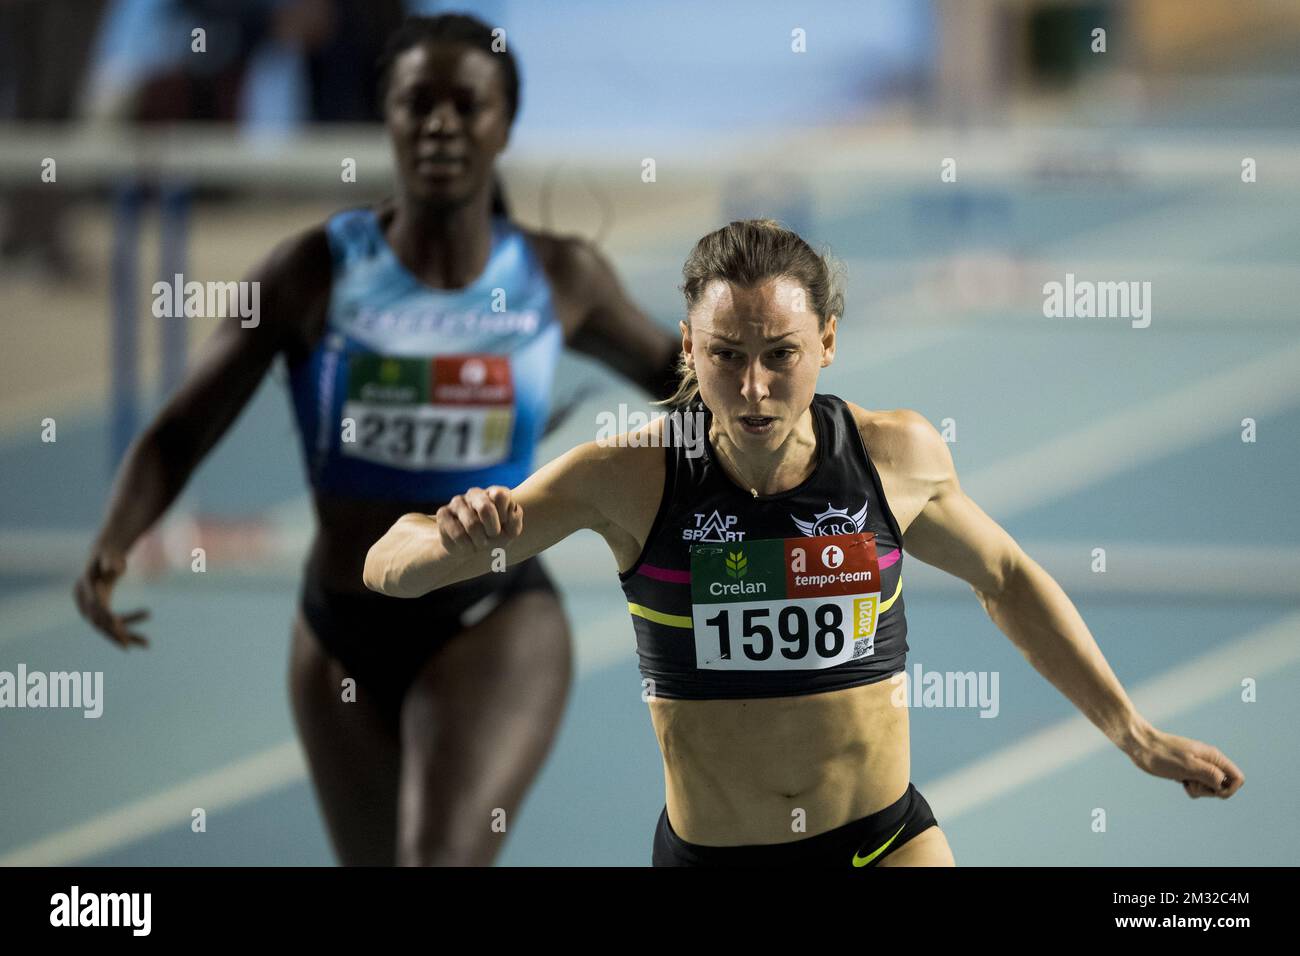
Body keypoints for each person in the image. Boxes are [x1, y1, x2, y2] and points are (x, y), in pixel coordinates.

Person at [363, 218, 1246, 867]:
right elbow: (389, 569)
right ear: (687, 348)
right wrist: (449, 531)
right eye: (725, 355)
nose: (752, 388)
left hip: (885, 839)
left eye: (781, 353)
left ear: (827, 341)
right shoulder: (627, 476)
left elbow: (1007, 575)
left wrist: (1135, 735)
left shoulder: (895, 457)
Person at [73, 13, 681, 866]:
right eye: (415, 103)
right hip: (335, 635)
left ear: (503, 126)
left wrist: (797, 441)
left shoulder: (556, 277)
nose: (439, 124)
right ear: (385, 117)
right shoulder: (312, 272)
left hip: (492, 622)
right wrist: (113, 539)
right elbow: (181, 430)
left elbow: (690, 385)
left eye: (465, 105)